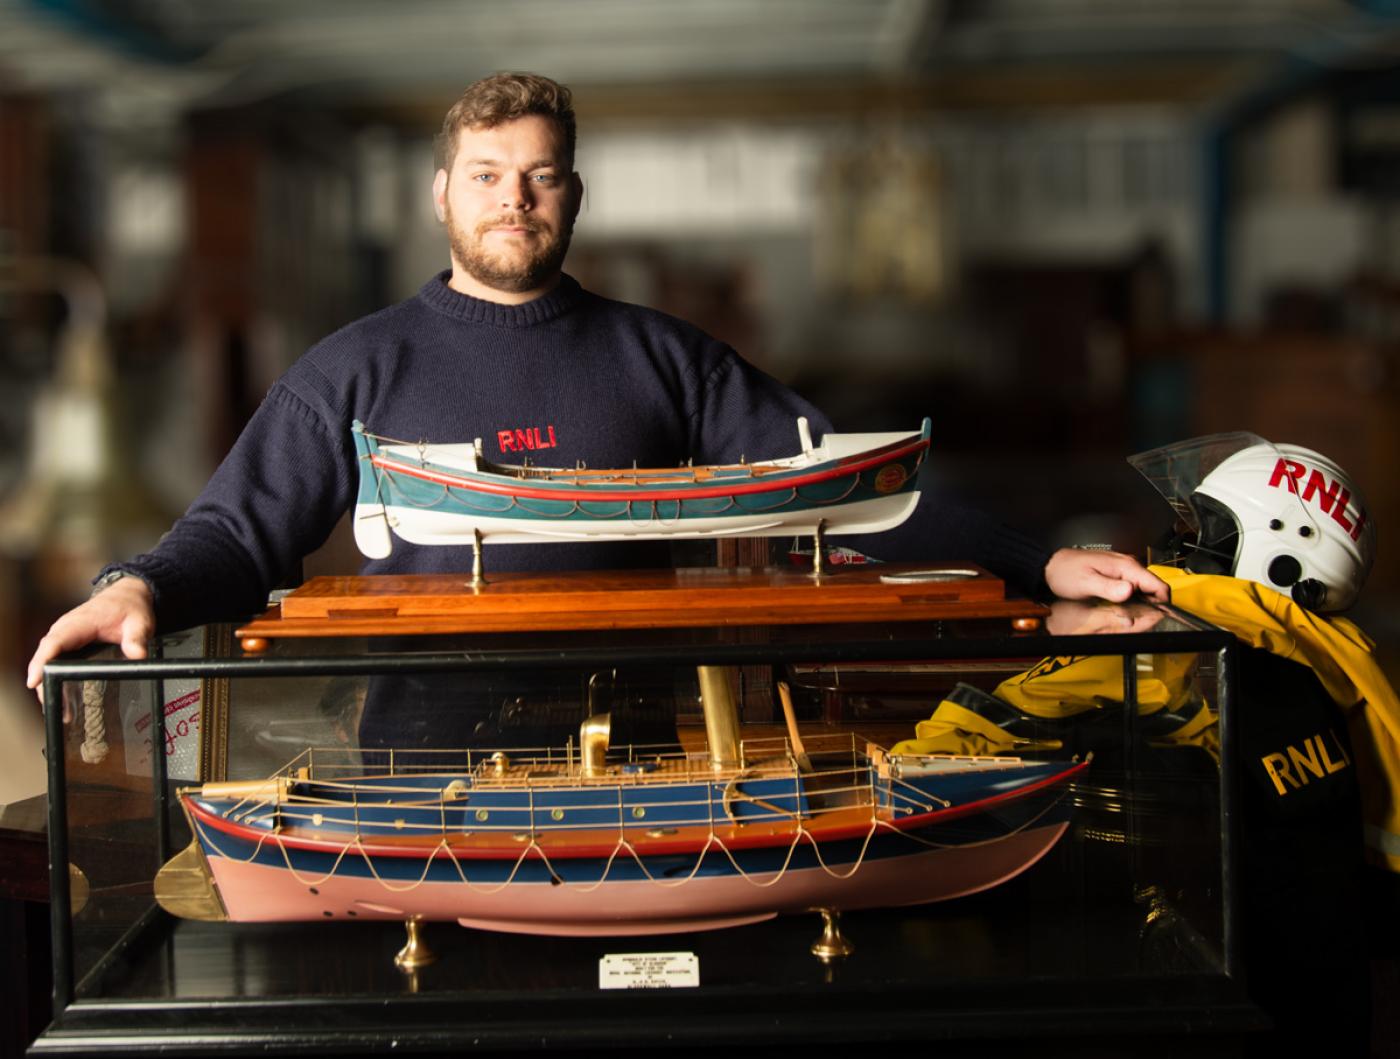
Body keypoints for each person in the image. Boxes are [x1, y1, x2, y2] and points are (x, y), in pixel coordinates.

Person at [27, 72, 1167, 715]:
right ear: (441, 195)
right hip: (415, 759)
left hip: (640, 737)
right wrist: (137, 587)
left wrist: (1037, 562)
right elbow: (237, 530)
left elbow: (842, 478)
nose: (511, 200)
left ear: (572, 193)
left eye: (537, 176)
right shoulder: (354, 367)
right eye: (485, 177)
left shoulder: (664, 357)